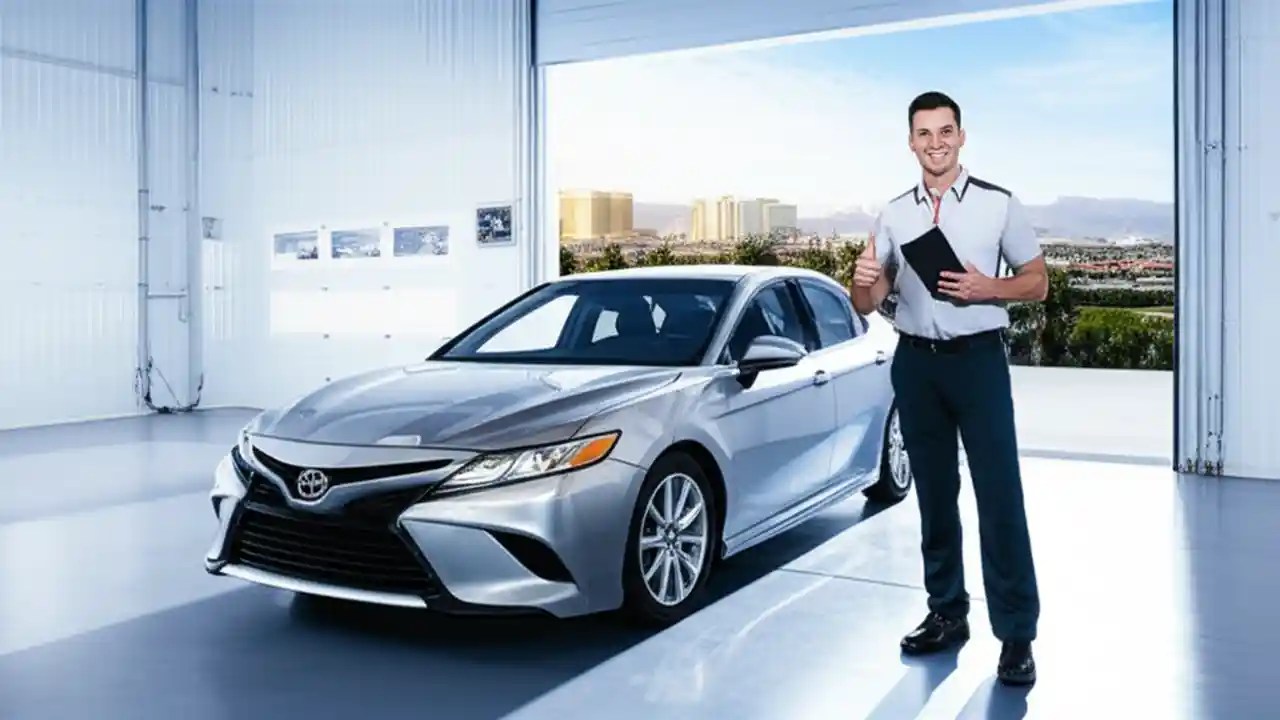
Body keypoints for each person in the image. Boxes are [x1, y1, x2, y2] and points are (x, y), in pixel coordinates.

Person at [850, 91, 1045, 687]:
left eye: (945, 131)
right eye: (923, 133)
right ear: (910, 142)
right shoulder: (893, 214)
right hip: (916, 364)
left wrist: (990, 287)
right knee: (934, 496)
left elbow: (1037, 284)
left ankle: (1016, 635)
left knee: (999, 497)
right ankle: (946, 612)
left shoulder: (998, 205)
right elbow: (869, 301)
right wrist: (862, 281)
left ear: (962, 136)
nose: (935, 143)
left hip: (979, 364)